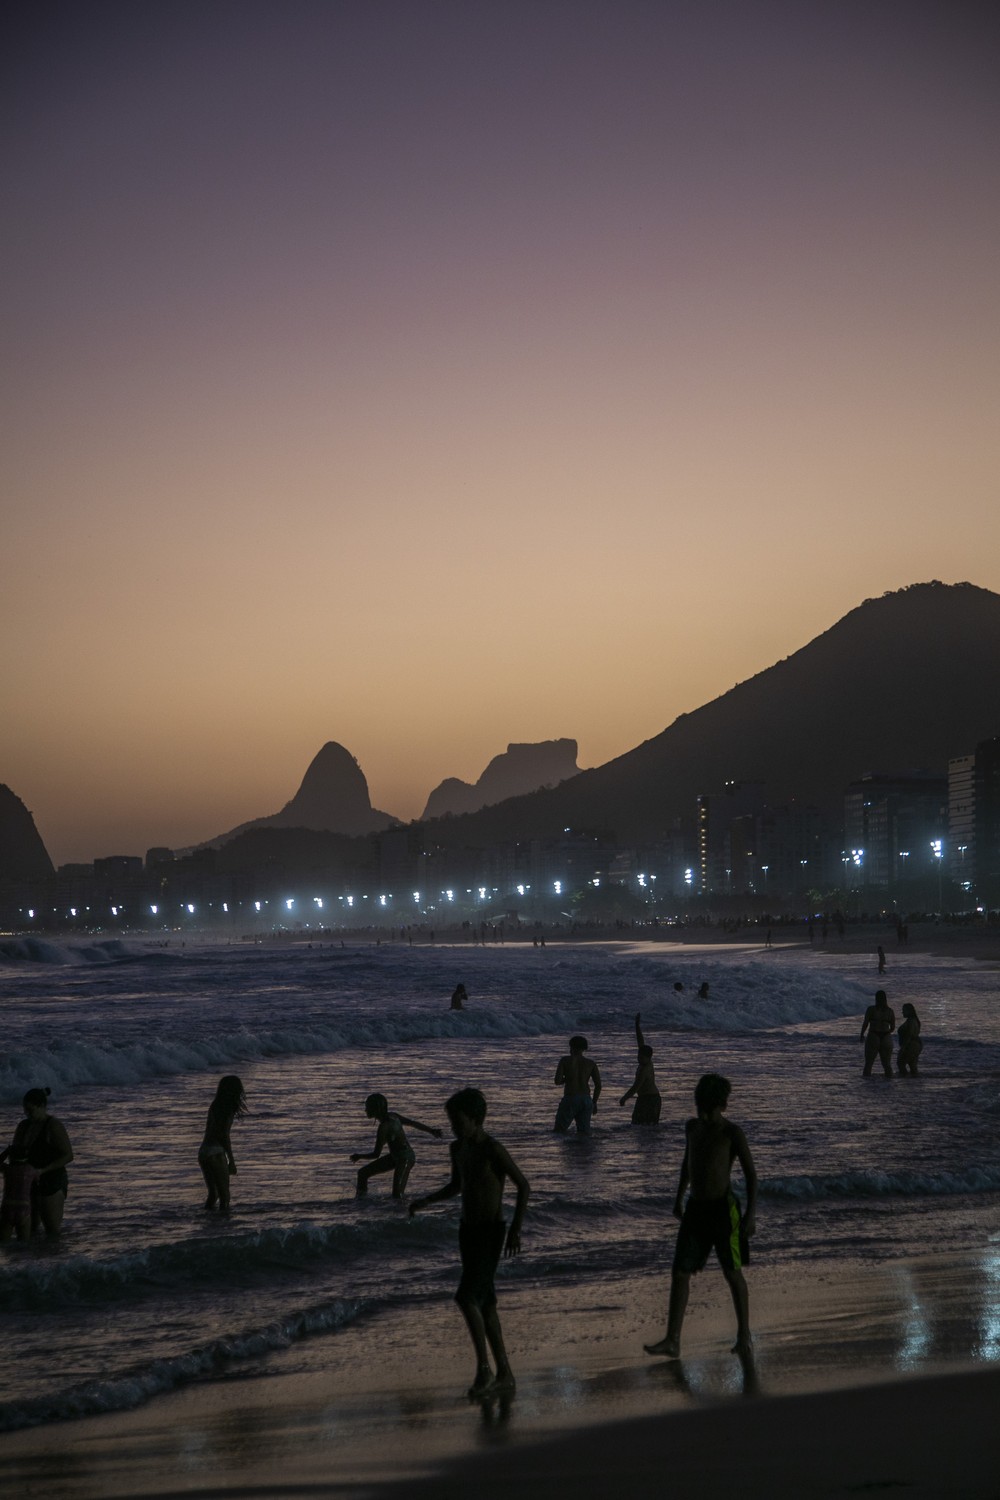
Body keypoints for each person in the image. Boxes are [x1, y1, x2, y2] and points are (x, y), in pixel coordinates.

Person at [409, 1088, 529, 1398]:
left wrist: (516, 1228)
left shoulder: (493, 1149)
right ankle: (505, 1374)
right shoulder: (457, 1149)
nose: (453, 1127)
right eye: (450, 1122)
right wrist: (426, 1201)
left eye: (458, 1121)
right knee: (486, 1302)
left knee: (466, 1297)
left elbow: (523, 1186)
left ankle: (484, 1370)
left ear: (475, 1120)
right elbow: (456, 1186)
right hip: (468, 1231)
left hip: (492, 1231)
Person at [644, 1073, 756, 1361]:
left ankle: (744, 1336)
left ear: (722, 1106)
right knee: (680, 1271)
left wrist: (750, 1216)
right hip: (695, 1208)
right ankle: (672, 1340)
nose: (703, 1113)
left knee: (732, 1272)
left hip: (723, 1209)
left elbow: (751, 1177)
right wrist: (679, 1198)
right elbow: (687, 1163)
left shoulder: (732, 1133)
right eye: (700, 1107)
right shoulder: (692, 1127)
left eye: (709, 1108)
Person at [0, 1087, 73, 1237]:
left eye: (31, 1110)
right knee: (32, 1229)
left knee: (52, 1231)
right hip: (27, 1182)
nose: (28, 1114)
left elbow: (68, 1155)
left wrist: (43, 1170)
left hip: (51, 1180)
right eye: (25, 1110)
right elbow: (15, 1154)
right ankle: (33, 1261)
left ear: (42, 1106)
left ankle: (58, 1260)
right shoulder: (23, 1126)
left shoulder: (53, 1125)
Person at [351, 1093, 442, 1197]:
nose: (365, 1110)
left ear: (376, 1109)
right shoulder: (393, 1116)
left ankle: (404, 1210)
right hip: (395, 1156)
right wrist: (431, 1130)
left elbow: (376, 1154)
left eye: (367, 1107)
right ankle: (361, 1201)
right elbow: (412, 1123)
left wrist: (359, 1156)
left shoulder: (383, 1127)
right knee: (363, 1173)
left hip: (405, 1158)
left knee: (397, 1195)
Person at [199, 1075, 247, 1211]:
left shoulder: (215, 1104)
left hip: (203, 1151)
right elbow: (224, 1135)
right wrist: (231, 1160)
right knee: (225, 1196)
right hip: (216, 1151)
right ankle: (224, 1226)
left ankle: (208, 1222)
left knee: (213, 1195)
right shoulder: (228, 1108)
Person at [619, 1012, 662, 1124]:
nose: (639, 1059)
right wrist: (637, 1025)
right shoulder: (644, 1061)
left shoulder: (645, 1069)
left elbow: (636, 1087)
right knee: (638, 1124)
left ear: (649, 1058)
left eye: (642, 1057)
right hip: (644, 1098)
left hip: (651, 1099)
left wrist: (624, 1098)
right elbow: (640, 1041)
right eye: (638, 1056)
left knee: (645, 1125)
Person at [554, 1035, 601, 1133]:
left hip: (570, 1097)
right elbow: (598, 1085)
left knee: (559, 1131)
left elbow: (557, 1081)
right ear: (584, 1048)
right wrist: (594, 1102)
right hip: (586, 1099)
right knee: (584, 1133)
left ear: (571, 1046)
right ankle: (582, 1148)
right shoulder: (591, 1063)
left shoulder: (565, 1060)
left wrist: (567, 1079)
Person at [0, 1152, 38, 1242]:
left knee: (3, 1243)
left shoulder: (7, 1168)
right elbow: (37, 1180)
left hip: (7, 1207)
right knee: (24, 1244)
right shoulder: (30, 1170)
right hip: (23, 1208)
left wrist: (6, 1152)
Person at [860, 990, 896, 1078]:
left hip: (873, 1035)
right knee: (887, 1064)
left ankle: (866, 1085)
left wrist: (861, 1034)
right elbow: (893, 1027)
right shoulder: (890, 1011)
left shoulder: (871, 1009)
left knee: (869, 1064)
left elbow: (865, 1023)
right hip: (886, 1036)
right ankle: (890, 1085)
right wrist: (887, 1032)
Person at [897, 1003, 923, 1076]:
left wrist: (903, 1048)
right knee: (913, 1066)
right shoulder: (915, 1020)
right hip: (916, 1044)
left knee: (900, 1063)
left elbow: (909, 1035)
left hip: (911, 1045)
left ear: (909, 1011)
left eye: (904, 1010)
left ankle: (904, 1078)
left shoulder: (911, 1021)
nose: (902, 1012)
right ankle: (913, 1083)